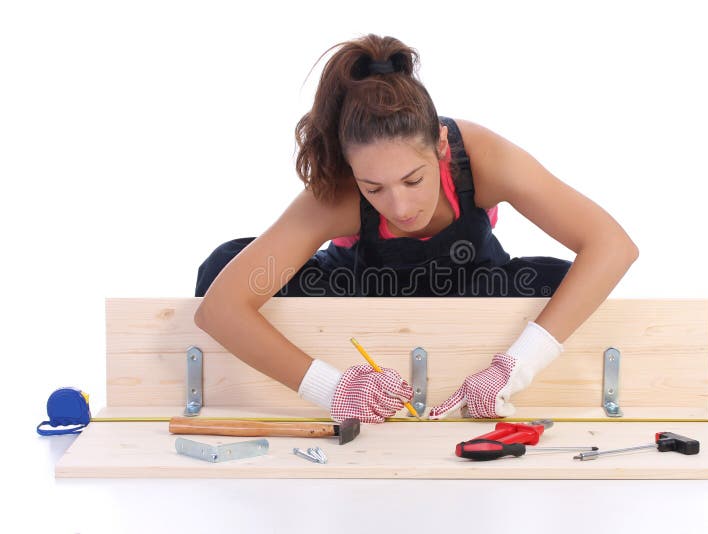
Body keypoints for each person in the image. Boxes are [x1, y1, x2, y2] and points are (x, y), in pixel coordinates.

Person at [193, 34, 639, 423]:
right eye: (374, 188)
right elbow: (221, 309)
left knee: (568, 286)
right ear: (353, 172)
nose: (400, 207)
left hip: (470, 283)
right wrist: (332, 389)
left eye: (414, 180)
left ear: (442, 146)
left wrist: (515, 366)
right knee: (222, 268)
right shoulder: (335, 194)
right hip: (361, 286)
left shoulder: (484, 157)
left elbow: (612, 246)